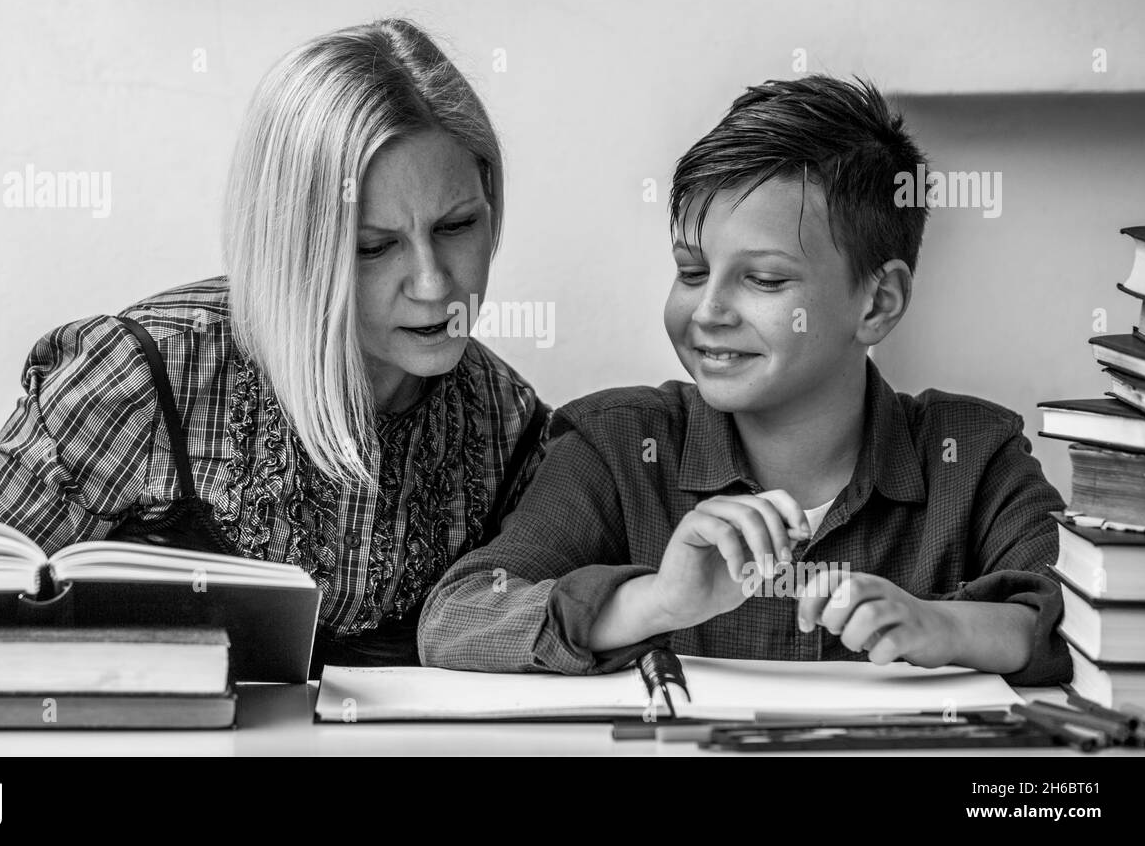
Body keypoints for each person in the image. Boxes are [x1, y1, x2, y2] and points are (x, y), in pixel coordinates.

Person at [0, 19, 549, 677]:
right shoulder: (140, 378)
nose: (432, 285)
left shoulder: (507, 422)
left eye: (457, 226)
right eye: (373, 247)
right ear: (292, 243)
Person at [418, 74, 1070, 687]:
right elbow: (456, 620)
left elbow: (1085, 624)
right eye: (692, 272)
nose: (709, 311)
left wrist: (946, 626)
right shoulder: (617, 447)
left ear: (877, 303)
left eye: (763, 279)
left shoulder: (974, 455)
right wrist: (656, 601)